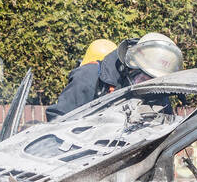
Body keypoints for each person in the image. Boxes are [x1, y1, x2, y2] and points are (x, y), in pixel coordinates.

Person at [46, 32, 182, 120]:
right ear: (131, 67)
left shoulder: (157, 94)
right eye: (146, 78)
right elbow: (58, 119)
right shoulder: (89, 77)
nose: (150, 86)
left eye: (157, 82)